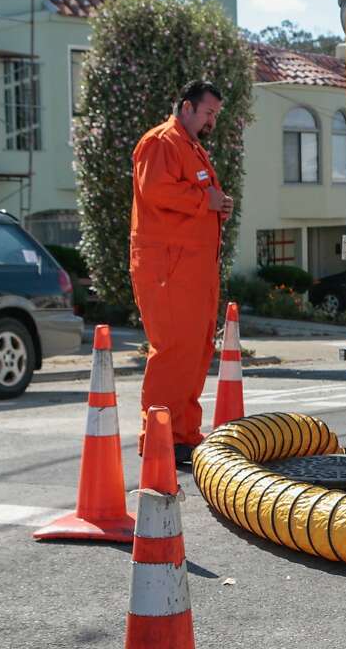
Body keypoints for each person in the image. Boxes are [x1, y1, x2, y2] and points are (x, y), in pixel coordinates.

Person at [130, 80, 233, 465]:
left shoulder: (191, 148)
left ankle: (184, 435)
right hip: (168, 268)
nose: (211, 121)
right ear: (186, 107)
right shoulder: (161, 142)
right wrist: (206, 201)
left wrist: (218, 205)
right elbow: (155, 190)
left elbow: (196, 200)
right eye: (208, 113)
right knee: (173, 351)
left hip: (193, 269)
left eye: (215, 116)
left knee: (196, 350)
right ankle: (159, 437)